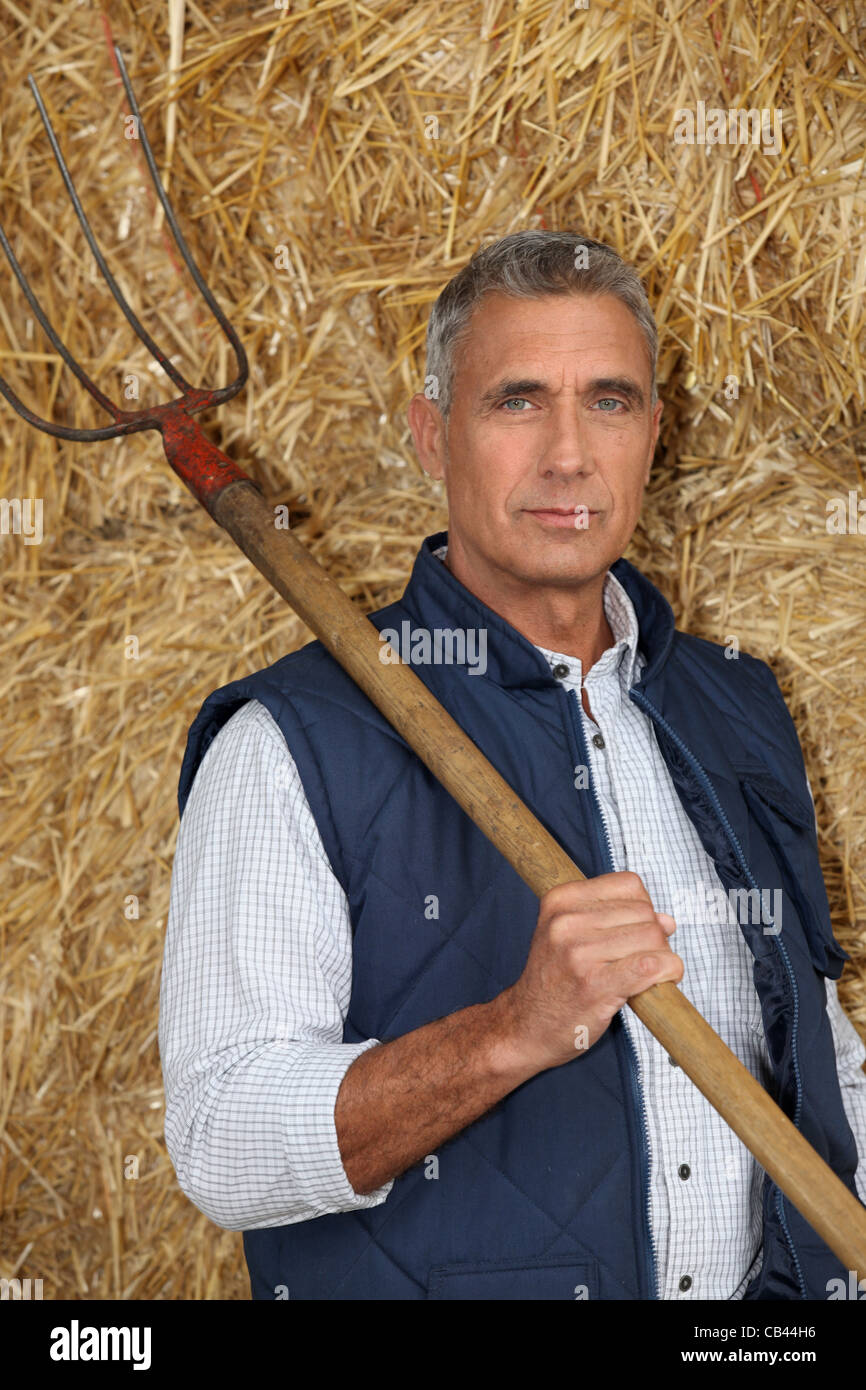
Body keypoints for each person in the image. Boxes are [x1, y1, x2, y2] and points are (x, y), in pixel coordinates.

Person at [159, 230, 866, 1300]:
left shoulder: (738, 709)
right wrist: (513, 1030)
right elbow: (223, 1142)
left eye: (610, 400)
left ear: (653, 434)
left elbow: (820, 1060)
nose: (569, 454)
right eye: (518, 401)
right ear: (430, 435)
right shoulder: (293, 742)